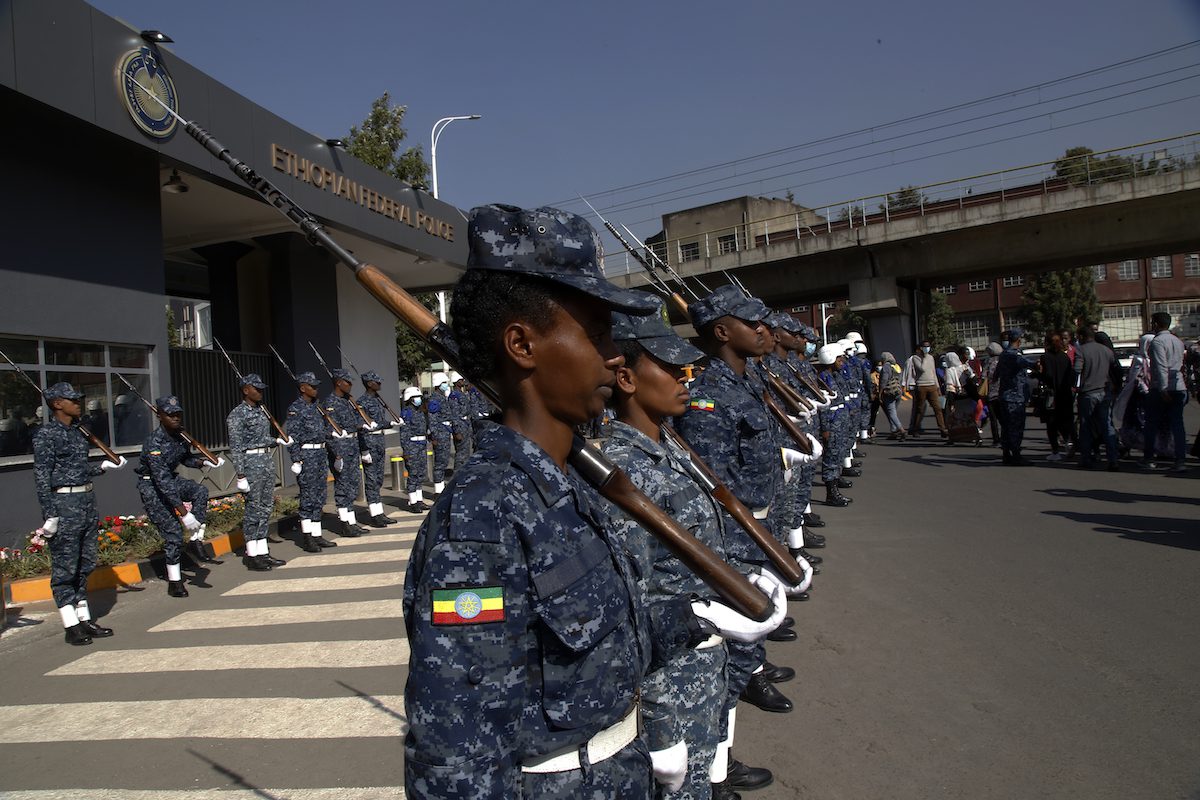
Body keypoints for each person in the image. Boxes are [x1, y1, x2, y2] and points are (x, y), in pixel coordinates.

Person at [402, 204, 784, 799]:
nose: (614, 354)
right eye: (598, 332)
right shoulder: (482, 518)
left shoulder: (580, 481)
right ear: (522, 344)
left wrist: (693, 620)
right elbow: (457, 749)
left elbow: (590, 643)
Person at [606, 300, 787, 799]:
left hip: (701, 661)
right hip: (669, 674)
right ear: (626, 380)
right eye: (667, 369)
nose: (685, 377)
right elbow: (630, 600)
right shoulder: (625, 467)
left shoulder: (665, 447)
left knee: (702, 784)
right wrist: (659, 724)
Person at [676, 283, 802, 720]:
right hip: (737, 532)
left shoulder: (747, 380)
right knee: (732, 651)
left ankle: (751, 674)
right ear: (723, 332)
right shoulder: (708, 395)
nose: (763, 329)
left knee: (753, 632)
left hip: (759, 522)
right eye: (751, 323)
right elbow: (713, 488)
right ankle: (716, 772)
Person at [33, 382, 127, 645]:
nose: (78, 403)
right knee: (65, 566)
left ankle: (84, 618)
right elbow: (42, 476)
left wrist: (103, 468)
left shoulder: (77, 432)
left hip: (86, 500)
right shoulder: (46, 435)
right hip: (63, 504)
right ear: (56, 404)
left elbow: (79, 468)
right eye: (72, 399)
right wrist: (49, 514)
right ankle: (70, 625)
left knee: (85, 563)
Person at [135, 396, 223, 596]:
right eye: (170, 414)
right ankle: (175, 582)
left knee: (200, 491)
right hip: (152, 486)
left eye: (178, 414)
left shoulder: (180, 436)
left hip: (170, 480)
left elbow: (186, 459)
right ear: (160, 416)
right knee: (173, 533)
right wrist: (184, 513)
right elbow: (162, 480)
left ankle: (195, 539)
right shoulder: (153, 442)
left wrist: (203, 463)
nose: (175, 418)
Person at [227, 373, 284, 571]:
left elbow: (263, 437)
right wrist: (240, 474)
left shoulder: (261, 411)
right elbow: (236, 446)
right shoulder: (237, 414)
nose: (260, 392)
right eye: (256, 389)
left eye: (261, 389)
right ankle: (252, 554)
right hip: (250, 463)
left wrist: (277, 440)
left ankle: (263, 551)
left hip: (266, 461)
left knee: (266, 507)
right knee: (253, 508)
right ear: (245, 390)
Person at [285, 371, 339, 552]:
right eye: (312, 386)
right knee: (308, 497)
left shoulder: (318, 407)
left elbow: (323, 429)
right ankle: (307, 537)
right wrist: (296, 459)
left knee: (320, 495)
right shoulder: (295, 408)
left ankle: (317, 534)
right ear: (302, 388)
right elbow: (292, 436)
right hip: (306, 455)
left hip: (320, 454)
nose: (316, 389)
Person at [324, 369, 371, 536]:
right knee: (343, 487)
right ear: (338, 383)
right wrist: (336, 455)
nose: (350, 385)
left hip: (352, 446)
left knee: (352, 485)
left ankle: (351, 521)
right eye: (347, 382)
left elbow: (354, 424)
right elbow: (330, 433)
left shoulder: (348, 401)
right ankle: (344, 523)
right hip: (341, 449)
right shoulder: (331, 402)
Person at [1141, 312, 1189, 472]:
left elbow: (1161, 366)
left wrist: (1162, 388)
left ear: (1156, 324)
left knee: (1151, 424)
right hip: (1179, 385)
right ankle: (1180, 459)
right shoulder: (1177, 341)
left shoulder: (1158, 342)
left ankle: (1149, 458)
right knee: (1177, 424)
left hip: (1162, 387)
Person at [358, 369, 400, 526]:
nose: (380, 383)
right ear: (370, 384)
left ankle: (379, 511)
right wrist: (364, 450)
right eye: (377, 381)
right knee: (371, 479)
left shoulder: (377, 399)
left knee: (378, 479)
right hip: (369, 441)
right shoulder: (362, 402)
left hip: (379, 441)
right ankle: (375, 514)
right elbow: (361, 427)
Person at [1073, 328, 1120, 470]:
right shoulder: (1106, 350)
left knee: (1086, 426)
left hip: (1088, 392)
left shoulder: (1081, 350)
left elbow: (1076, 370)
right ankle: (1113, 458)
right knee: (1107, 425)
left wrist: (1075, 385)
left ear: (1082, 336)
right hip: (1104, 392)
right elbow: (1115, 367)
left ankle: (1086, 458)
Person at [994, 330, 1038, 465]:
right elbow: (1025, 362)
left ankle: (1006, 454)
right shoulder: (1012, 355)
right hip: (1015, 397)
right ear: (1018, 340)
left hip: (1004, 396)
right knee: (1015, 428)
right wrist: (1036, 364)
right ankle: (1016, 455)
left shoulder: (1002, 355)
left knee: (1006, 428)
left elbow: (996, 375)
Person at [1038, 333, 1076, 462]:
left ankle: (1055, 451)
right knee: (1066, 421)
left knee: (1052, 424)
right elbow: (1071, 375)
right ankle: (1069, 444)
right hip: (1065, 393)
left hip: (1052, 395)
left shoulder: (1045, 357)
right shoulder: (1065, 357)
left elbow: (1047, 374)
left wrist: (1038, 375)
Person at [903, 339, 948, 437]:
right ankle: (915, 428)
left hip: (932, 385)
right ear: (920, 348)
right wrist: (924, 357)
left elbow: (933, 372)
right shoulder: (915, 358)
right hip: (921, 386)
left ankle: (942, 429)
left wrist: (937, 386)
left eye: (928, 347)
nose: (927, 349)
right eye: (925, 347)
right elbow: (922, 369)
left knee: (938, 408)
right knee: (920, 409)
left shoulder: (931, 358)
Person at [399, 387, 430, 513]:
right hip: (412, 445)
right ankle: (413, 501)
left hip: (421, 444)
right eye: (416, 398)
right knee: (413, 474)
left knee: (420, 473)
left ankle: (419, 499)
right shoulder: (407, 412)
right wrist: (406, 451)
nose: (418, 400)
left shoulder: (419, 411)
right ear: (410, 399)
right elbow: (404, 433)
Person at [427, 372, 454, 495]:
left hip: (445, 432)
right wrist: (434, 436)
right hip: (440, 433)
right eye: (444, 383)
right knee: (439, 463)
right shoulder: (434, 399)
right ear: (438, 384)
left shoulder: (442, 397)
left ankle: (441, 487)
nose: (446, 385)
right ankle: (438, 491)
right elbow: (432, 419)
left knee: (444, 461)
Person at [447, 372, 474, 472]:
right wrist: (457, 431)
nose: (463, 381)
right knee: (460, 455)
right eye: (461, 380)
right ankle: (457, 476)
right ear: (456, 382)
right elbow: (454, 414)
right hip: (460, 426)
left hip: (466, 425)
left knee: (466, 453)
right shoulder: (454, 396)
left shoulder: (462, 394)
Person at [878, 352, 905, 439]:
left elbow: (884, 380)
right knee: (893, 412)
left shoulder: (886, 367)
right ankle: (893, 432)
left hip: (889, 392)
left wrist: (880, 392)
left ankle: (901, 430)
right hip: (898, 391)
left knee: (891, 413)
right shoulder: (897, 366)